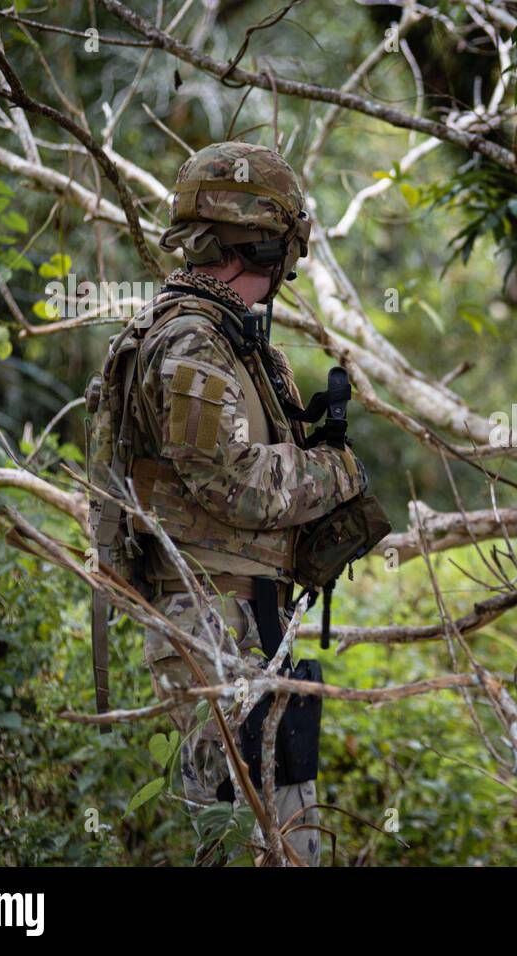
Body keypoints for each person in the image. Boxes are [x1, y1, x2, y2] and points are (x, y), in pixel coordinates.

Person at [95, 141, 363, 865]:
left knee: (281, 825)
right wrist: (335, 472)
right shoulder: (191, 342)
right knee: (242, 833)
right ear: (262, 244)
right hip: (213, 623)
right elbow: (232, 482)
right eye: (284, 249)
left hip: (243, 614)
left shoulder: (227, 337)